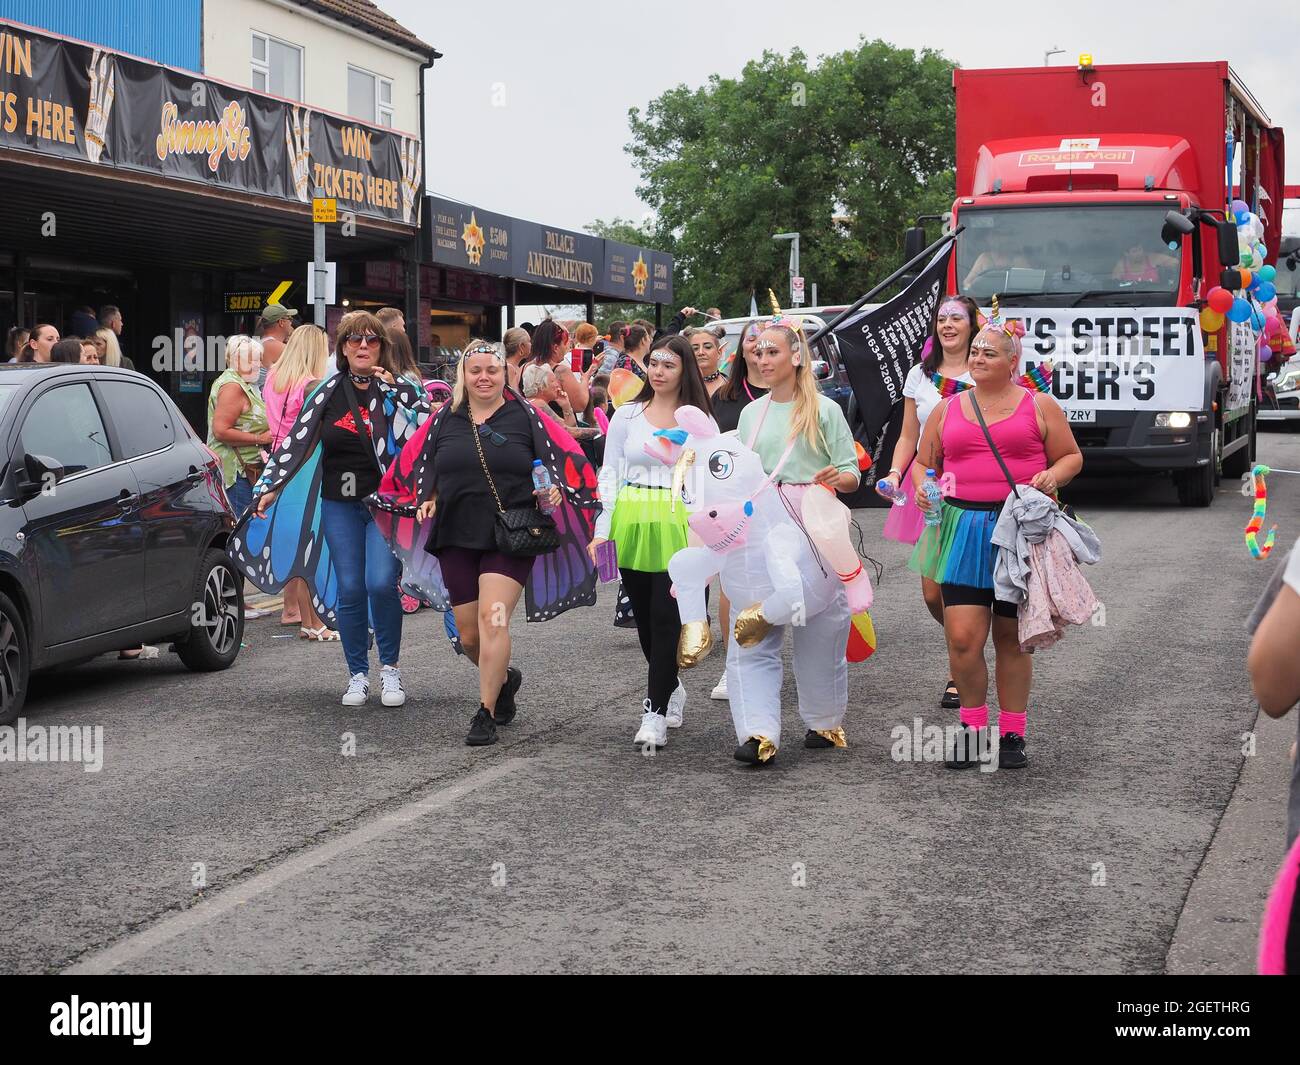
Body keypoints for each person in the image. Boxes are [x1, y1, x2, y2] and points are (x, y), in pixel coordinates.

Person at [910, 306, 1082, 770]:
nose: (980, 357)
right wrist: (927, 491)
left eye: (990, 351)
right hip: (962, 528)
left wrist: (1050, 475)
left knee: (1011, 637)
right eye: (975, 351)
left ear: (1012, 361)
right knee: (963, 638)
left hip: (1017, 534)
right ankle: (971, 730)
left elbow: (1071, 457)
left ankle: (1012, 735)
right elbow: (927, 463)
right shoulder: (947, 409)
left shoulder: (1038, 405)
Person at [402, 340, 591, 747]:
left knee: (494, 619)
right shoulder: (443, 419)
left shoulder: (527, 416)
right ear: (463, 377)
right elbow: (424, 466)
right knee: (469, 637)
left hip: (512, 533)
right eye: (476, 371)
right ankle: (505, 679)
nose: (483, 377)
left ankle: (485, 711)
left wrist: (555, 490)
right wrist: (428, 497)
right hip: (455, 533)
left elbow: (562, 460)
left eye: (492, 370)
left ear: (505, 374)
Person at [241, 311, 429, 707]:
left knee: (380, 583)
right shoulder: (325, 392)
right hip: (340, 504)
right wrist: (269, 488)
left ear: (382, 346)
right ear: (342, 348)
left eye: (372, 340)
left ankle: (390, 670)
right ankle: (358, 674)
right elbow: (296, 444)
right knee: (350, 587)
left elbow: (429, 418)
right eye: (355, 340)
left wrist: (395, 386)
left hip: (384, 507)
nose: (363, 346)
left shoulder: (396, 389)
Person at [728, 320, 859, 763]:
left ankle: (824, 721)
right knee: (755, 624)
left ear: (796, 356)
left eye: (772, 353)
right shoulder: (750, 413)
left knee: (822, 624)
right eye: (758, 353)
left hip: (814, 522)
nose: (762, 361)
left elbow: (852, 472)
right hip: (763, 522)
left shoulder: (825, 410)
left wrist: (834, 477)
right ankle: (758, 733)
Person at [589, 334, 715, 751]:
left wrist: (707, 536)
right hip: (631, 516)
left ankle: (654, 711)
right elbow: (609, 474)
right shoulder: (627, 415)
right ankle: (670, 684)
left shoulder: (697, 419)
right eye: (654, 363)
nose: (659, 372)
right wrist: (601, 531)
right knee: (643, 618)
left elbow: (710, 478)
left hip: (678, 520)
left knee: (666, 616)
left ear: (684, 371)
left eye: (669, 365)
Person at [877, 296, 979, 711]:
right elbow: (907, 436)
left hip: (976, 490)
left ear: (973, 324)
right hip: (929, 488)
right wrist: (895, 473)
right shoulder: (920, 375)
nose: (948, 324)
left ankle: (961, 666)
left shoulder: (987, 368)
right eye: (942, 318)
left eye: (957, 317)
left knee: (964, 586)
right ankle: (966, 641)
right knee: (934, 594)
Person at [703, 318, 768, 701]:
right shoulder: (725, 397)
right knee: (733, 582)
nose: (760, 349)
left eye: (770, 343)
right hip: (736, 503)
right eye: (752, 341)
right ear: (741, 349)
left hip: (785, 498)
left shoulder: (797, 396)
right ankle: (735, 665)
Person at [263, 324, 337, 641]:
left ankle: (303, 618)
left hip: (279, 464)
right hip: (309, 468)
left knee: (297, 544)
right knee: (315, 545)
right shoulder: (312, 386)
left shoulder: (272, 380)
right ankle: (315, 621)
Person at [208, 335, 271, 519]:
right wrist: (260, 438)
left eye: (259, 359)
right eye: (252, 360)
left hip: (245, 470)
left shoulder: (241, 382)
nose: (259, 365)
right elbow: (220, 430)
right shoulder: (233, 387)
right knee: (242, 529)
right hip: (236, 474)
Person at [529, 320, 597, 415]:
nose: (567, 349)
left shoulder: (524, 368)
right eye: (565, 344)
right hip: (557, 426)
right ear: (555, 348)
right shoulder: (561, 371)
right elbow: (580, 405)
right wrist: (585, 378)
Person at [256, 303, 297, 388]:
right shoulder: (274, 346)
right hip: (267, 400)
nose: (291, 323)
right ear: (281, 322)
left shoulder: (263, 343)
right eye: (290, 319)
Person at [686, 324, 729, 401]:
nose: (701, 352)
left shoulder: (732, 387)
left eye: (707, 347)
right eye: (695, 348)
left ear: (719, 353)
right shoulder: (679, 387)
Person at [503, 326, 532, 391]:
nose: (531, 344)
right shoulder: (509, 369)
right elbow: (514, 397)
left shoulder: (516, 368)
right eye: (529, 341)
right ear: (521, 346)